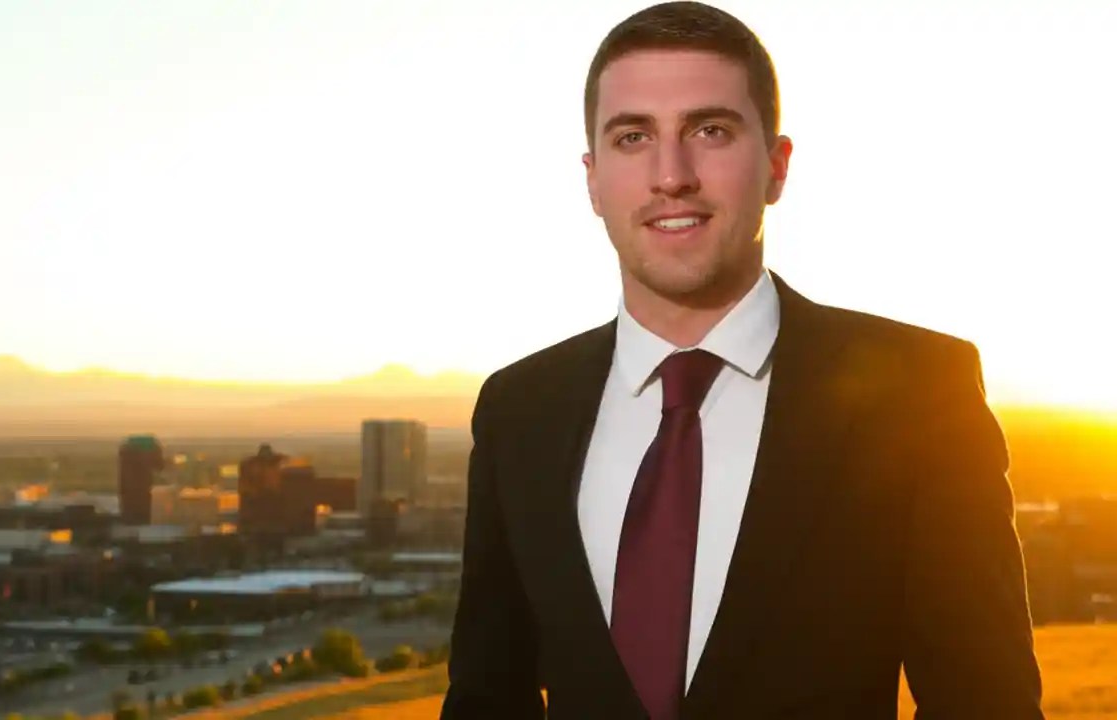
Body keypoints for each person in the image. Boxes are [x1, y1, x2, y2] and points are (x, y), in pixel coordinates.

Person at [439, 2, 1045, 719]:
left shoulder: (919, 392)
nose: (671, 175)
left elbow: (986, 704)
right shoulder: (518, 410)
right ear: (593, 179)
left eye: (710, 130)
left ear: (776, 166)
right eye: (633, 137)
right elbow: (486, 698)